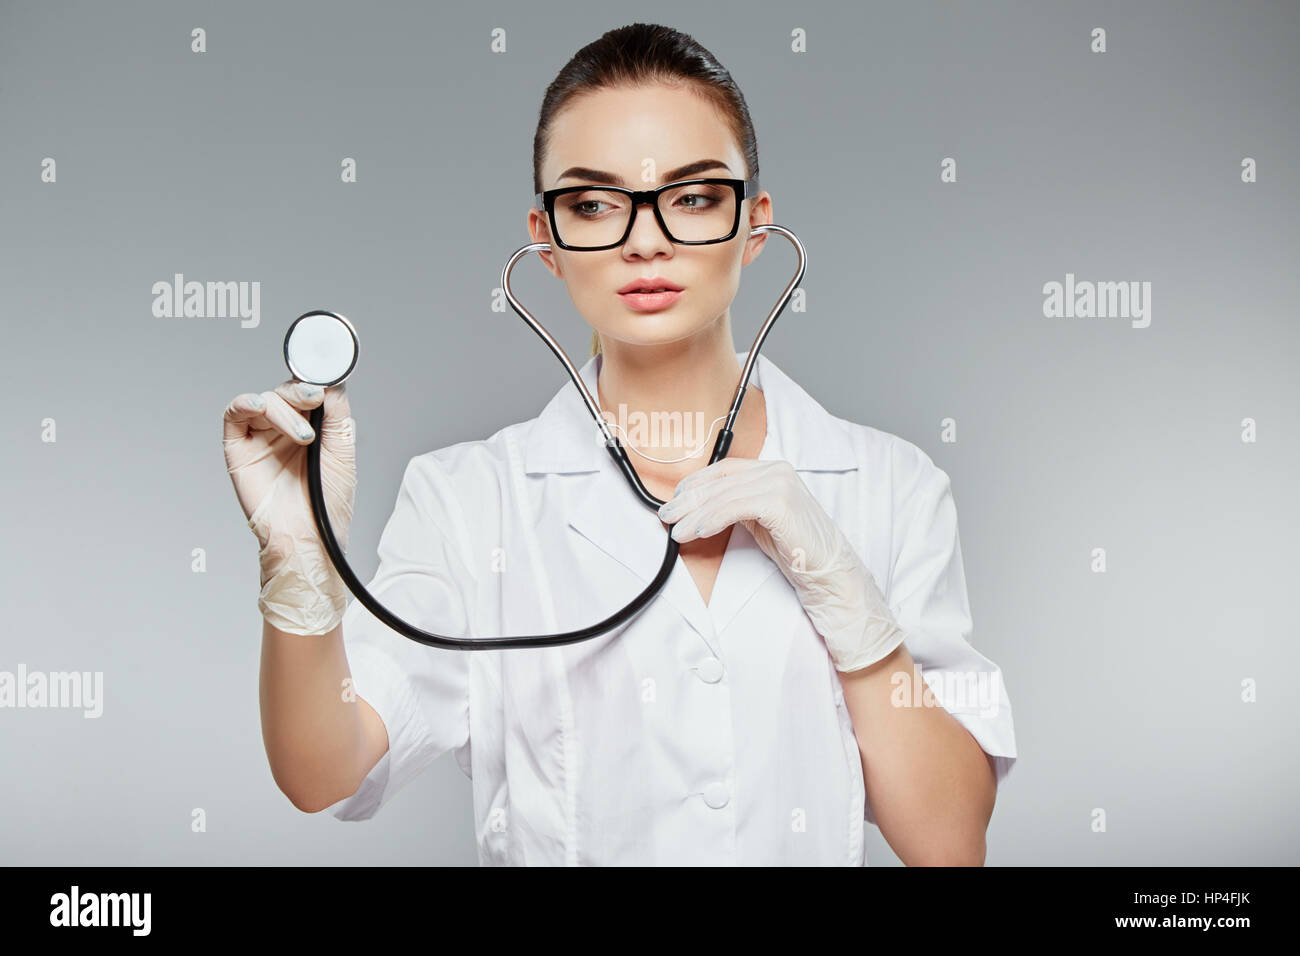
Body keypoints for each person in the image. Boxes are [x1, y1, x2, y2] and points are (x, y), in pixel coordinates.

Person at [222, 22, 1017, 866]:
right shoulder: (469, 499)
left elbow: (949, 842)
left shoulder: (891, 486)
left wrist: (855, 610)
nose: (646, 239)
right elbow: (322, 770)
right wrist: (302, 581)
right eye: (595, 203)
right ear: (547, 242)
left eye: (694, 196)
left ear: (755, 224)